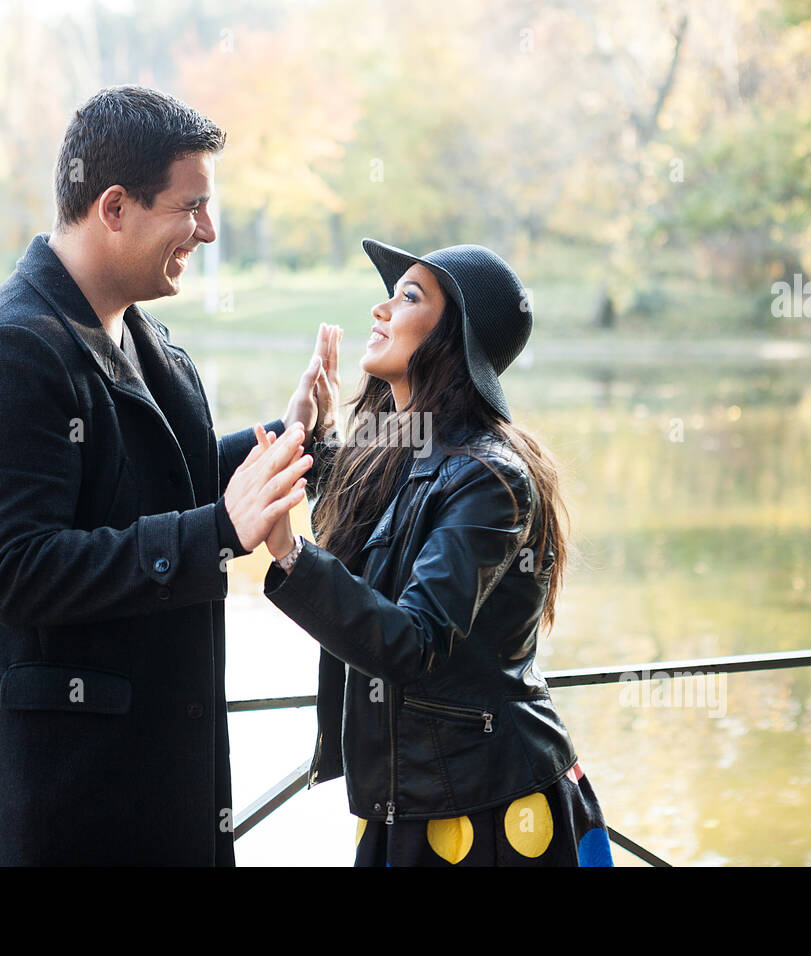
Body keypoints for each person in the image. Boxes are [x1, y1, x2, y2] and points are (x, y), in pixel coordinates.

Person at [0, 86, 331, 865]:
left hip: (160, 794)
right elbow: (16, 572)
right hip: (63, 812)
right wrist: (217, 531)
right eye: (192, 207)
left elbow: (160, 484)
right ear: (114, 207)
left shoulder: (149, 341)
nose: (207, 231)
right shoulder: (8, 355)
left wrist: (288, 439)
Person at [259, 239, 615, 866]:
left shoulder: (489, 477)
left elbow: (414, 642)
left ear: (455, 338)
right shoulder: (404, 451)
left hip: (492, 807)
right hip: (412, 800)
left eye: (409, 296)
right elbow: (369, 561)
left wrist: (288, 552)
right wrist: (316, 443)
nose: (382, 308)